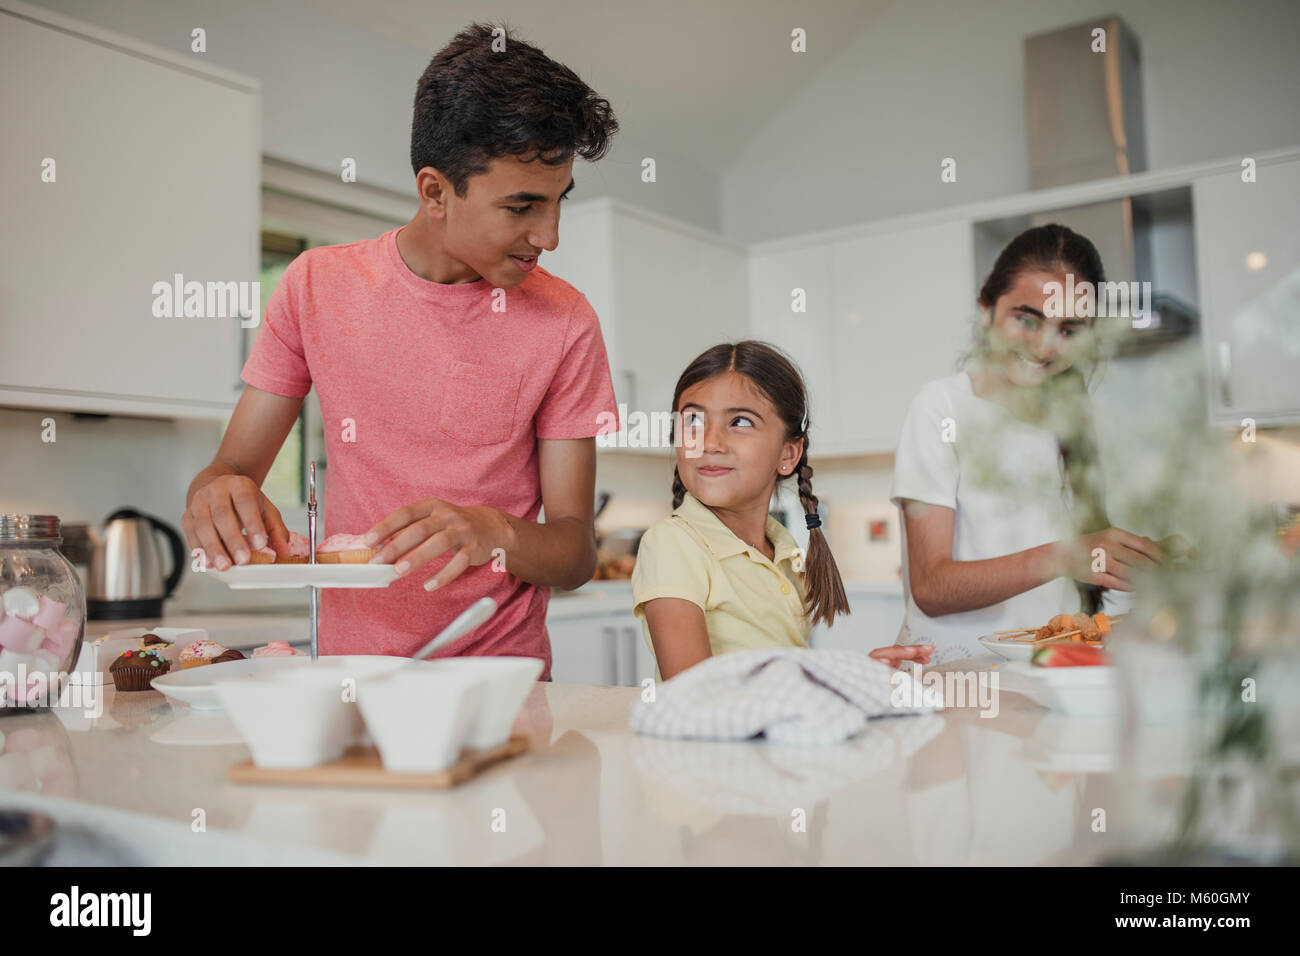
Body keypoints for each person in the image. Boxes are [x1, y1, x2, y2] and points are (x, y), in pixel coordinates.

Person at [182, 23, 621, 678]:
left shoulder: (566, 322)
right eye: (523, 206)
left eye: (559, 203)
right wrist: (216, 495)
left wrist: (494, 532)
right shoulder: (313, 287)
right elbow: (229, 471)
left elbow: (575, 552)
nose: (549, 235)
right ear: (435, 192)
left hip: (505, 682)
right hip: (354, 680)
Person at [891, 224, 1168, 664]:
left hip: (1047, 673)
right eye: (1026, 319)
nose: (1044, 346)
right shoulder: (940, 406)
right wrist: (1068, 555)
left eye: (1069, 329)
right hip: (954, 680)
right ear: (986, 310)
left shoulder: (1072, 421)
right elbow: (931, 588)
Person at [632, 341, 932, 680]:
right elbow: (693, 693)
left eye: (740, 422)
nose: (710, 442)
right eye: (694, 421)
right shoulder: (672, 544)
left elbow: (785, 677)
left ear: (788, 455)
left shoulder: (783, 551)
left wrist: (852, 677)